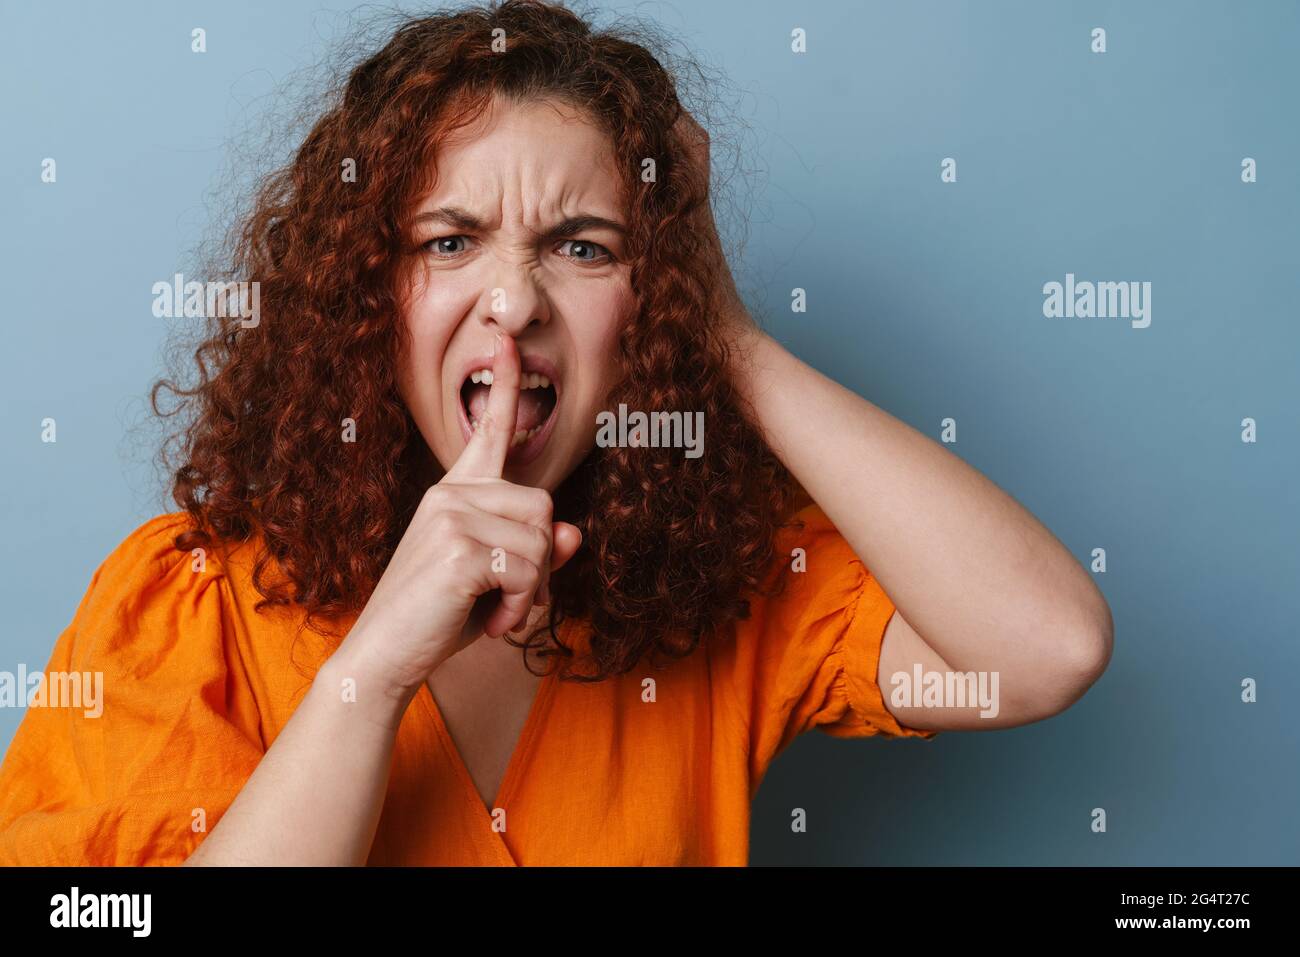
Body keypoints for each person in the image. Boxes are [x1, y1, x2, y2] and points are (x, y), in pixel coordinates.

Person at [0, 0, 1112, 866]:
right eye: (448, 240)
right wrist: (375, 669)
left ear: (648, 309)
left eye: (585, 248)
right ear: (361, 292)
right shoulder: (187, 602)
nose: (515, 301)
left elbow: (1044, 649)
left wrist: (722, 328)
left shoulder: (729, 587)